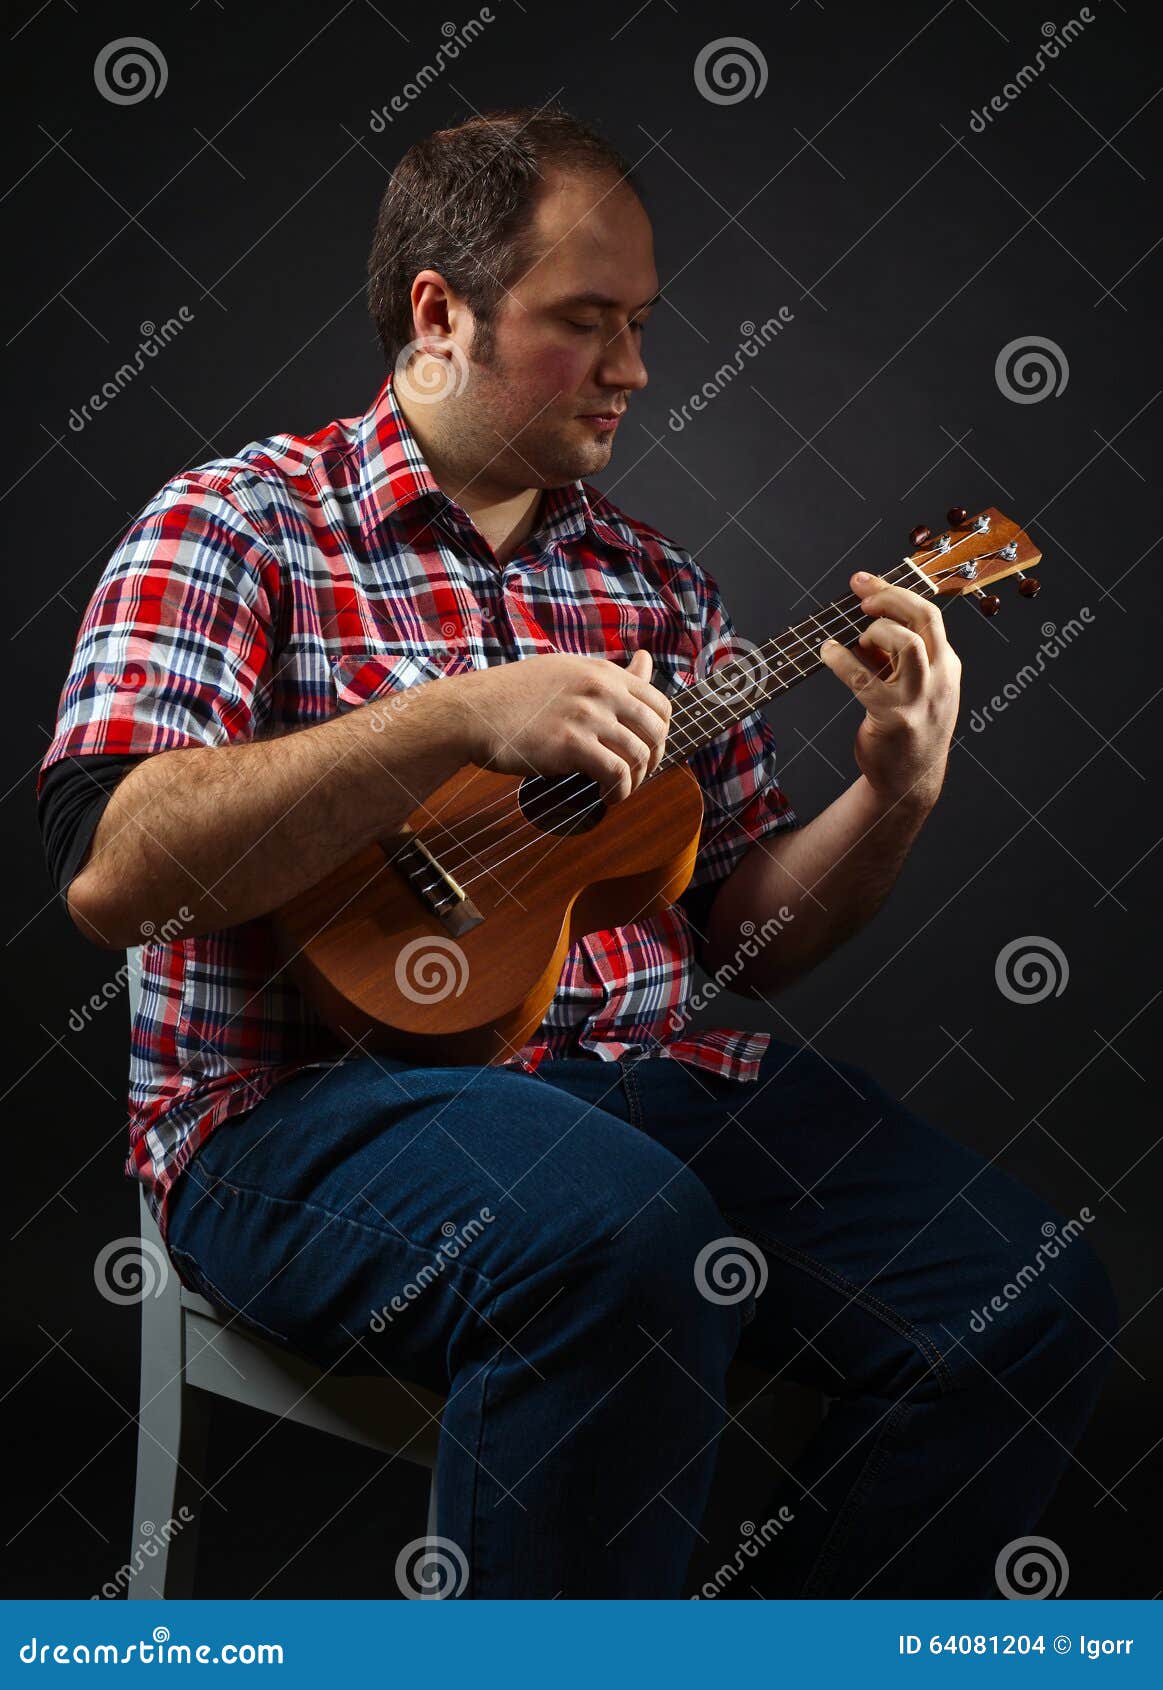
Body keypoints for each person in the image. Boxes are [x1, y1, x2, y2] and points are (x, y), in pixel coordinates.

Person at [37, 104, 1115, 1599]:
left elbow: (756, 930)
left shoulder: (658, 586)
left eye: (644, 323)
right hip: (300, 1113)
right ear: (442, 313)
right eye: (585, 322)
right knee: (622, 1236)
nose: (635, 369)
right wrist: (455, 719)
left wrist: (895, 792)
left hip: (630, 1090)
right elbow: (112, 869)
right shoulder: (238, 527)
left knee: (1023, 1292)